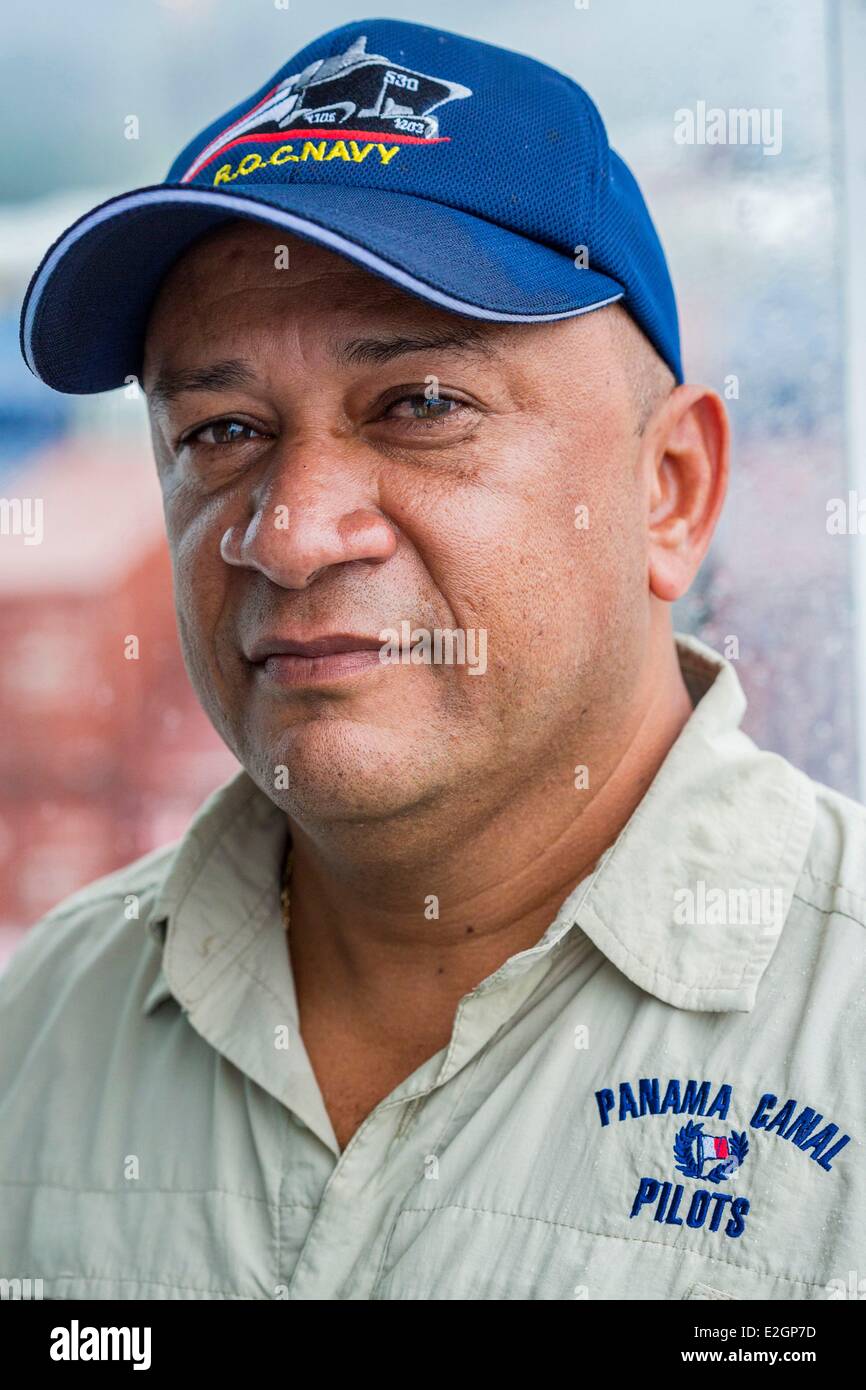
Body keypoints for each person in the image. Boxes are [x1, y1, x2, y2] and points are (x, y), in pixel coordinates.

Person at [2, 16, 863, 1301]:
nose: (288, 534)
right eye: (223, 429)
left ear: (668, 490)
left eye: (418, 405)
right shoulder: (40, 1032)